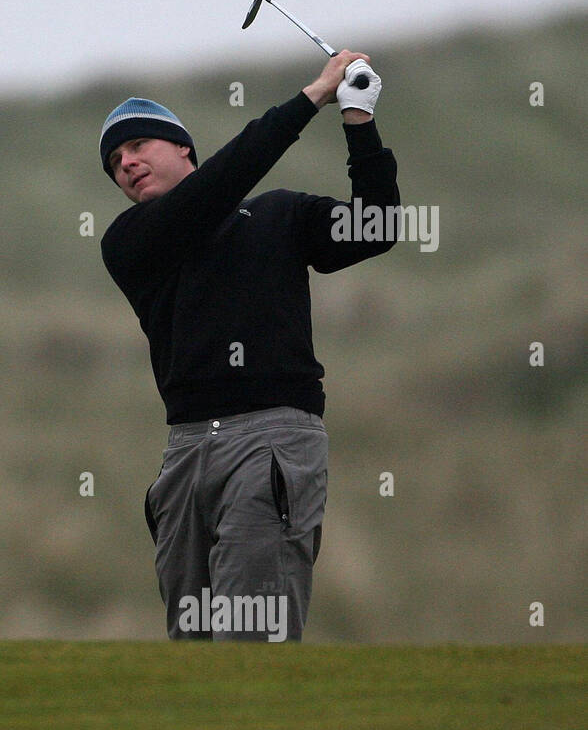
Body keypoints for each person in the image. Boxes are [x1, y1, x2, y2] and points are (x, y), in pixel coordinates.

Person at [98, 51, 400, 641]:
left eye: (138, 146)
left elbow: (378, 226)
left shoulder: (277, 214)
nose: (127, 163)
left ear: (182, 147)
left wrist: (359, 120)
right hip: (185, 454)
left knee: (251, 642)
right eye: (114, 162)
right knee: (192, 647)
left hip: (273, 441)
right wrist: (312, 96)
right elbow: (218, 185)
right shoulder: (131, 242)